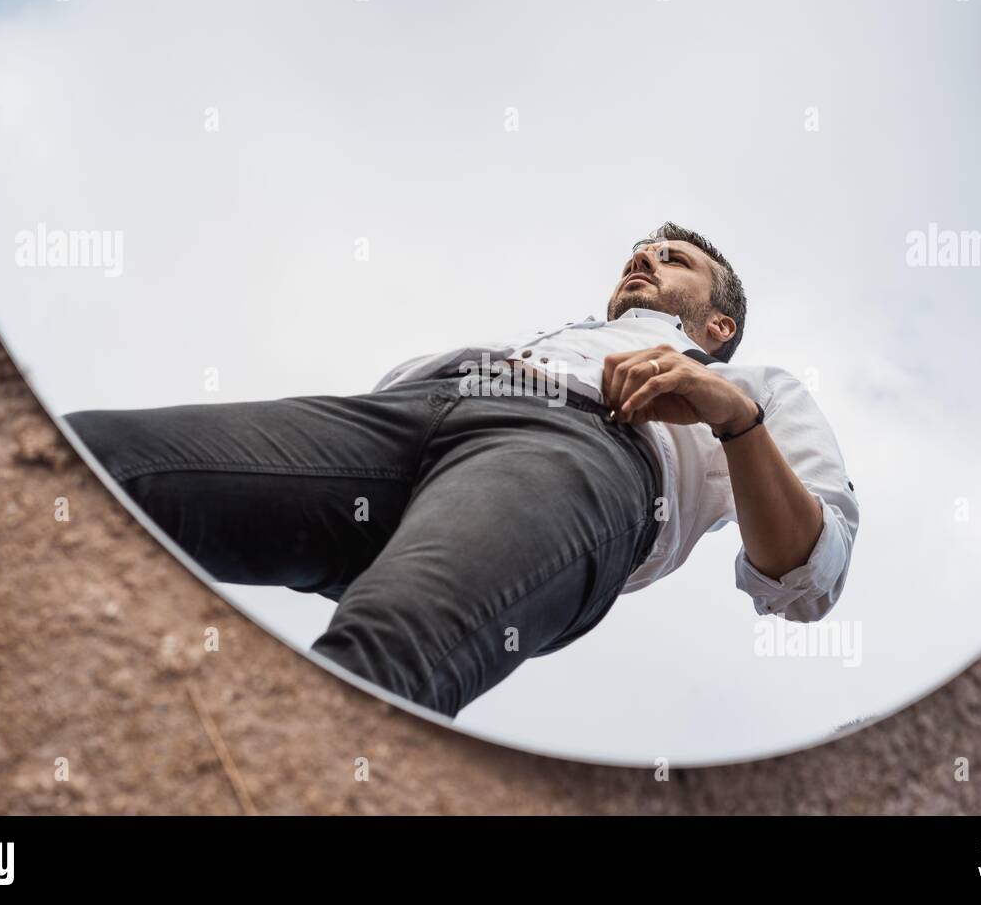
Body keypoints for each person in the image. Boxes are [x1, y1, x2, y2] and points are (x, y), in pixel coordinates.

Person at [64, 222, 859, 717]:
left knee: (383, 659)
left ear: (719, 323)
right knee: (101, 462)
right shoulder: (555, 332)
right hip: (414, 415)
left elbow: (808, 576)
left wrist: (732, 417)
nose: (643, 260)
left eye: (671, 258)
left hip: (580, 455)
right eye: (637, 255)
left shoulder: (757, 389)